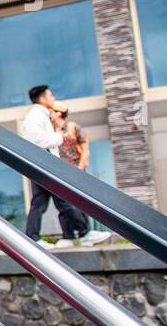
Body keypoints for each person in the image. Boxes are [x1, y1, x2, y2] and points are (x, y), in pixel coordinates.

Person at [20, 85, 108, 247]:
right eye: (51, 96)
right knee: (63, 200)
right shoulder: (35, 117)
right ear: (43, 99)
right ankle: (84, 233)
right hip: (43, 164)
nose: (53, 99)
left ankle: (33, 238)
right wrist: (58, 136)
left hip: (42, 164)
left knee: (42, 203)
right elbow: (38, 141)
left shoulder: (42, 116)